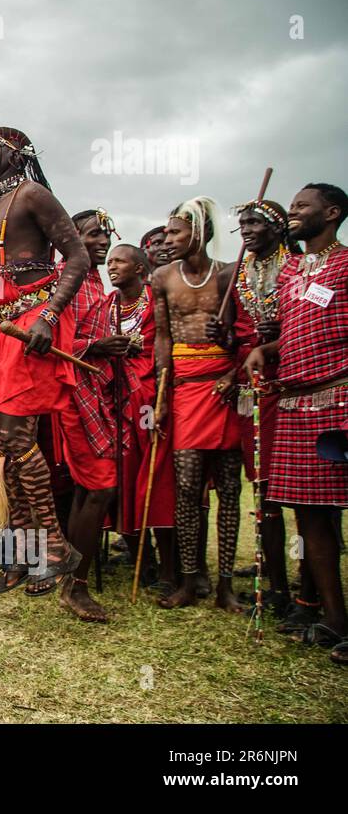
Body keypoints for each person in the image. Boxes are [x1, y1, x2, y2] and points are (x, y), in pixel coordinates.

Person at [0, 126, 87, 591]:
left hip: (34, 317)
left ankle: (53, 544)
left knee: (14, 431)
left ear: (17, 154)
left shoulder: (33, 195)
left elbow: (78, 257)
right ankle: (23, 550)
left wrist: (50, 316)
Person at [244, 183, 348, 664]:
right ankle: (331, 617)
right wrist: (266, 350)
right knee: (309, 512)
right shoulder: (289, 274)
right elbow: (292, 333)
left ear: (332, 212)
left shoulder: (346, 265)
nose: (293, 212)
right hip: (296, 401)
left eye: (302, 206)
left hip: (340, 394)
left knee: (333, 510)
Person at [153, 197, 244, 611]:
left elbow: (241, 337)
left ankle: (225, 586)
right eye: (167, 232)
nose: (168, 239)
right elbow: (162, 337)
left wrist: (230, 366)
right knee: (187, 486)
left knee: (227, 487)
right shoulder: (162, 277)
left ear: (201, 232)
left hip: (224, 386)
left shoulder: (227, 275)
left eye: (176, 232)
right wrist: (162, 395)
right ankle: (189, 581)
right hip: (185, 389)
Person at [221, 199, 296, 616]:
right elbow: (234, 335)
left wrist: (279, 331)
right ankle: (278, 585)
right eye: (242, 223)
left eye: (255, 222)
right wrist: (227, 336)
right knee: (263, 485)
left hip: (293, 382)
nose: (246, 229)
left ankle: (306, 584)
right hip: (252, 386)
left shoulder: (297, 266)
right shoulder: (239, 276)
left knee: (303, 491)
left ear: (278, 227)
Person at [52, 209, 123, 622]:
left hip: (96, 390)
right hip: (76, 390)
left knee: (87, 489)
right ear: (72, 237)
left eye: (106, 234)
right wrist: (98, 347)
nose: (103, 241)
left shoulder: (95, 279)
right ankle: (74, 587)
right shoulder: (70, 277)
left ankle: (72, 580)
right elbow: (55, 338)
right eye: (93, 234)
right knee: (99, 487)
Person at [106, 242, 176, 590]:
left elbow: (164, 347)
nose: (112, 266)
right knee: (123, 479)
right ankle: (140, 560)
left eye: (119, 261)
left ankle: (169, 569)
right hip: (116, 400)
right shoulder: (108, 304)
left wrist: (162, 394)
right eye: (108, 262)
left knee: (155, 482)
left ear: (139, 268)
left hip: (149, 397)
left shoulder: (155, 301)